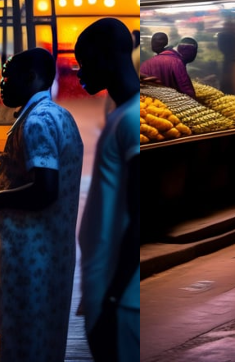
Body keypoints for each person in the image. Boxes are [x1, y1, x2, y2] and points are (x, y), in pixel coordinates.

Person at [0, 48, 84, 362]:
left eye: (9, 77)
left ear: (33, 78)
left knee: (24, 339)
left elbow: (44, 189)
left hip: (31, 257)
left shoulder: (37, 121)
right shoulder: (58, 115)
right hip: (50, 254)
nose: (2, 84)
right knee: (44, 339)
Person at [74, 18, 141, 361]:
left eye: (84, 62)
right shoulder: (120, 117)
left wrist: (113, 298)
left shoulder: (131, 120)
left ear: (106, 57)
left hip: (121, 300)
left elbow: (136, 217)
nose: (79, 72)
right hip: (107, 291)